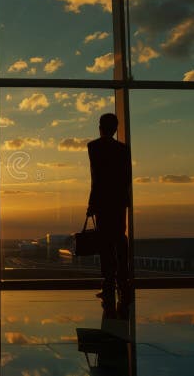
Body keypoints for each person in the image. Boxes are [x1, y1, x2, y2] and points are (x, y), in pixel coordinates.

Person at [86, 113, 131, 307]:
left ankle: (108, 285)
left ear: (100, 127)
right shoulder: (123, 149)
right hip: (119, 201)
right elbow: (126, 178)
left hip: (103, 202)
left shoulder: (94, 147)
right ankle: (122, 282)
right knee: (120, 239)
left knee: (105, 244)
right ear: (115, 128)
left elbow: (96, 178)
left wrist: (92, 203)